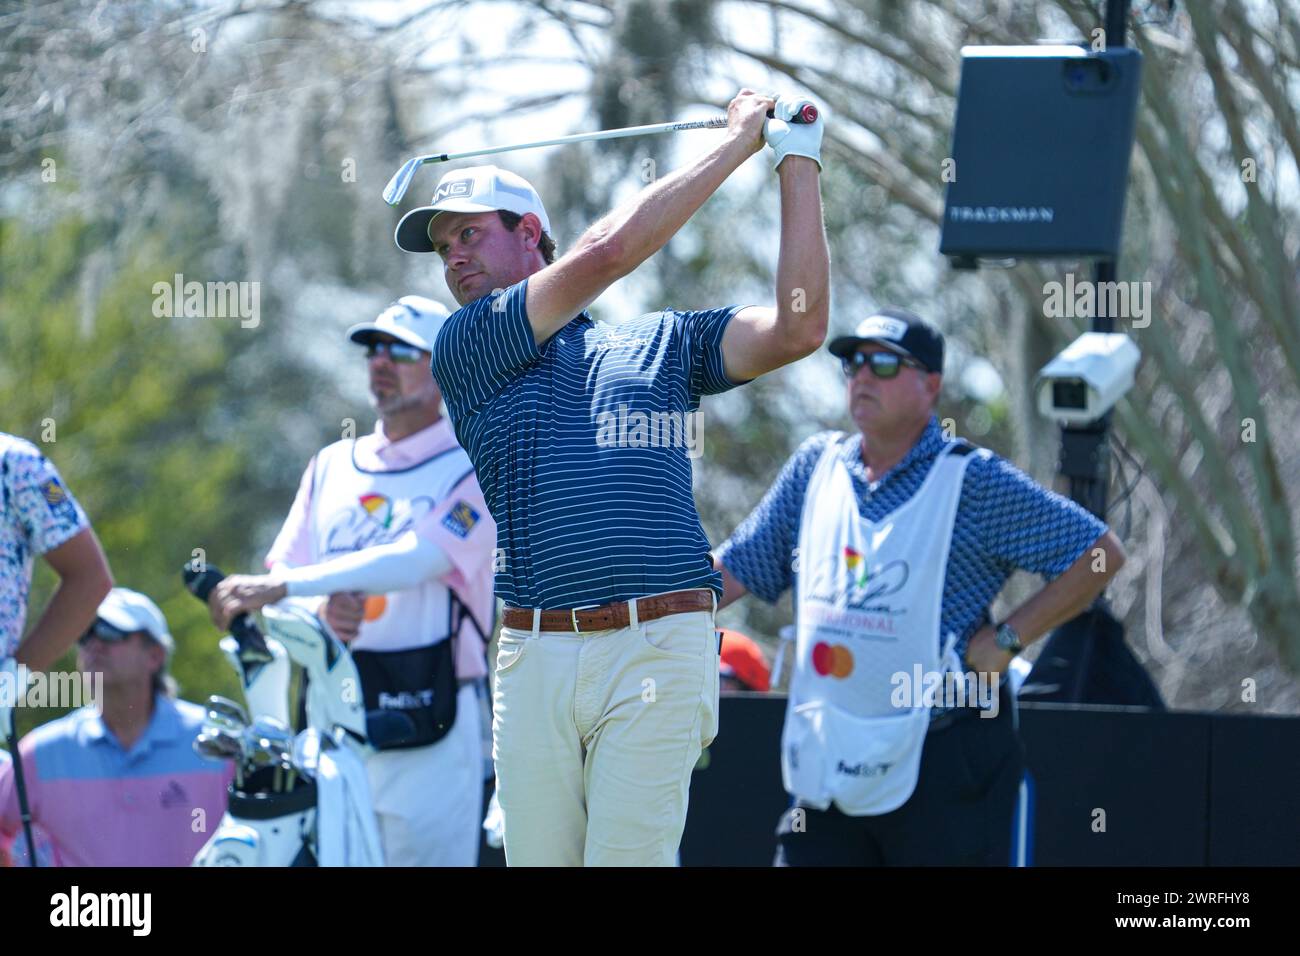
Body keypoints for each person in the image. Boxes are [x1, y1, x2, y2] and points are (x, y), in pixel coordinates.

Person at [396, 89, 829, 866]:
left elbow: (798, 326)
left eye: (468, 234)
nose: (452, 256)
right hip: (535, 654)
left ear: (529, 234)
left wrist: (797, 159)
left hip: (659, 643)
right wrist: (736, 146)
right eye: (442, 248)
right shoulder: (467, 348)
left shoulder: (662, 343)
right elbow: (607, 254)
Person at [713, 308, 1127, 866]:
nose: (862, 375)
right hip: (829, 758)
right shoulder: (816, 466)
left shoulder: (973, 481)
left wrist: (1007, 640)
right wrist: (632, 602)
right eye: (853, 362)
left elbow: (1100, 555)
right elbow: (739, 566)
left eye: (883, 363)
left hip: (945, 760)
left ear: (930, 385)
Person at [209, 296, 497, 867]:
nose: (380, 363)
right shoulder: (330, 464)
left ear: (446, 370)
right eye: (373, 349)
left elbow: (417, 560)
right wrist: (313, 612)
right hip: (331, 719)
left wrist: (288, 591)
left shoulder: (474, 463)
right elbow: (283, 584)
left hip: (432, 718)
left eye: (401, 351)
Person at [0, 587, 232, 866]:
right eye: (86, 635)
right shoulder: (41, 752)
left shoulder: (217, 743)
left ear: (155, 655)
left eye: (111, 632)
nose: (94, 644)